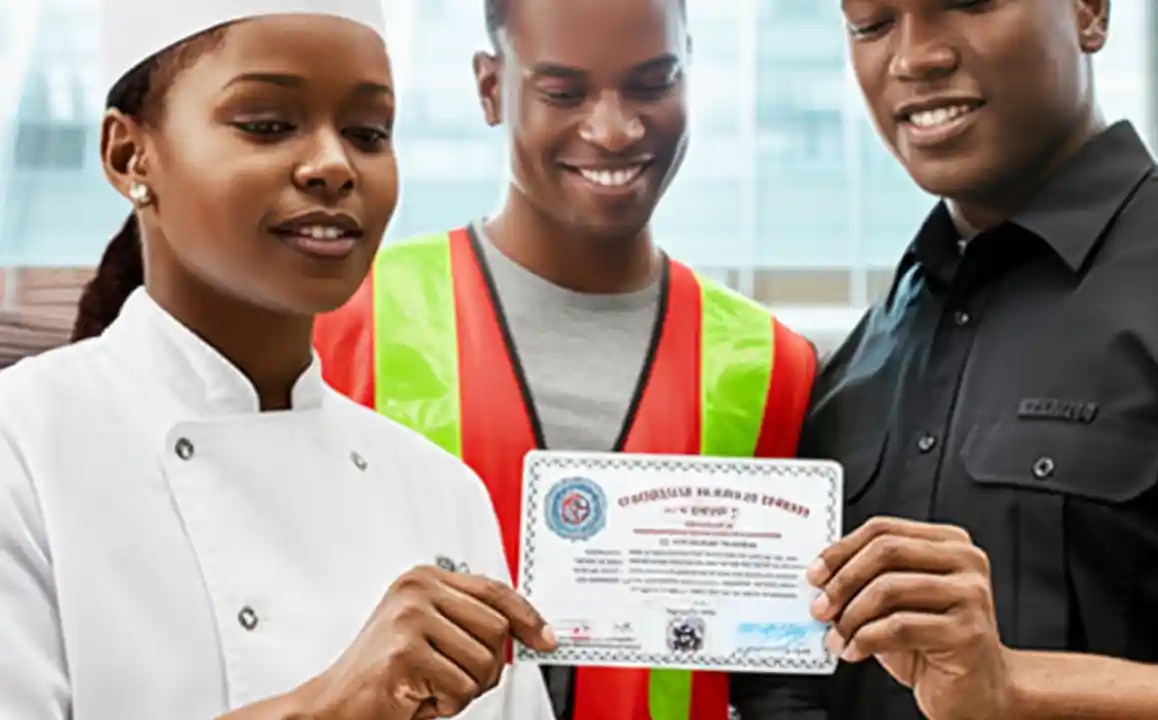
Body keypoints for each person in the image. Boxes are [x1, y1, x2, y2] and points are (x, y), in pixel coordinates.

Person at [0, 1, 559, 717]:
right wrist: (330, 706)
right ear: (127, 154)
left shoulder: (441, 493)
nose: (333, 166)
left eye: (368, 133)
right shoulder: (25, 448)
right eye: (267, 124)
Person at [736, 0, 1158, 718]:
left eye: (968, 3)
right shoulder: (862, 360)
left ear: (1089, 12)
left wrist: (1013, 687)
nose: (914, 57)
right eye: (872, 24)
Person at [313, 0, 817, 718]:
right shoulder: (345, 325)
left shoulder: (773, 366)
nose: (614, 129)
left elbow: (779, 682)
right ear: (491, 89)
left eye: (651, 83)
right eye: (563, 93)